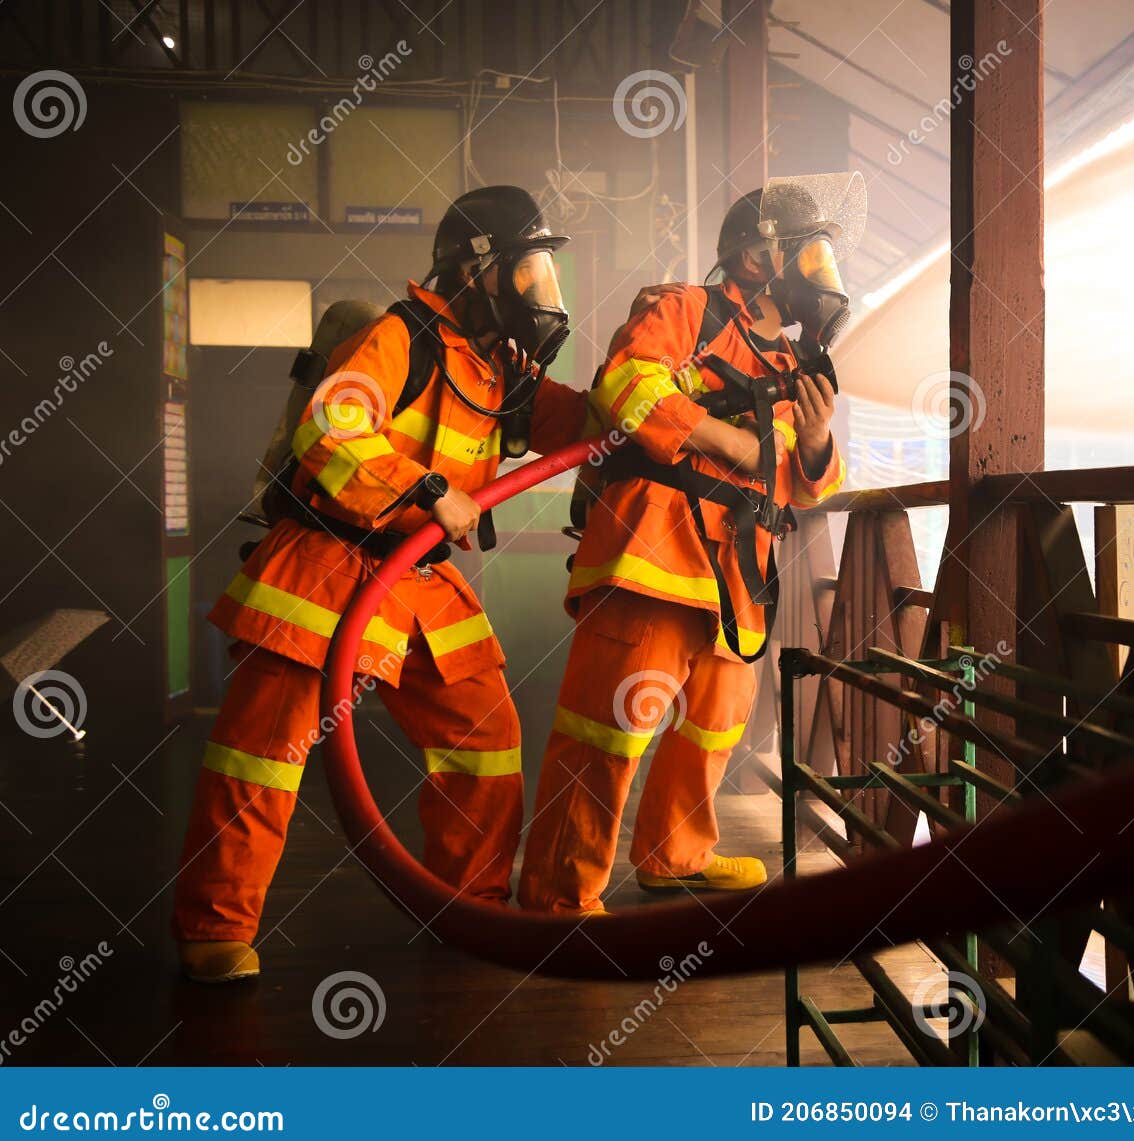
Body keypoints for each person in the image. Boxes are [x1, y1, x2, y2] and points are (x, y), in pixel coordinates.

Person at [172, 186, 589, 981]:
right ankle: (213, 930)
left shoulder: (499, 367)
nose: (541, 289)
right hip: (326, 564)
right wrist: (433, 491)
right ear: (479, 272)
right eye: (527, 269)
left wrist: (673, 406)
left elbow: (579, 422)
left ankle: (472, 906)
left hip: (420, 581)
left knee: (485, 738)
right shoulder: (400, 338)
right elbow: (331, 428)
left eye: (545, 271)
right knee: (263, 753)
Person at [518, 174, 862, 915]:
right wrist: (737, 444)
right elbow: (626, 386)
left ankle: (675, 856)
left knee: (712, 727)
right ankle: (557, 896)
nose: (824, 278)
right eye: (809, 257)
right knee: (606, 728)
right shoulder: (684, 310)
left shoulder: (797, 369)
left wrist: (813, 438)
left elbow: (811, 487)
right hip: (653, 555)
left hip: (736, 579)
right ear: (754, 259)